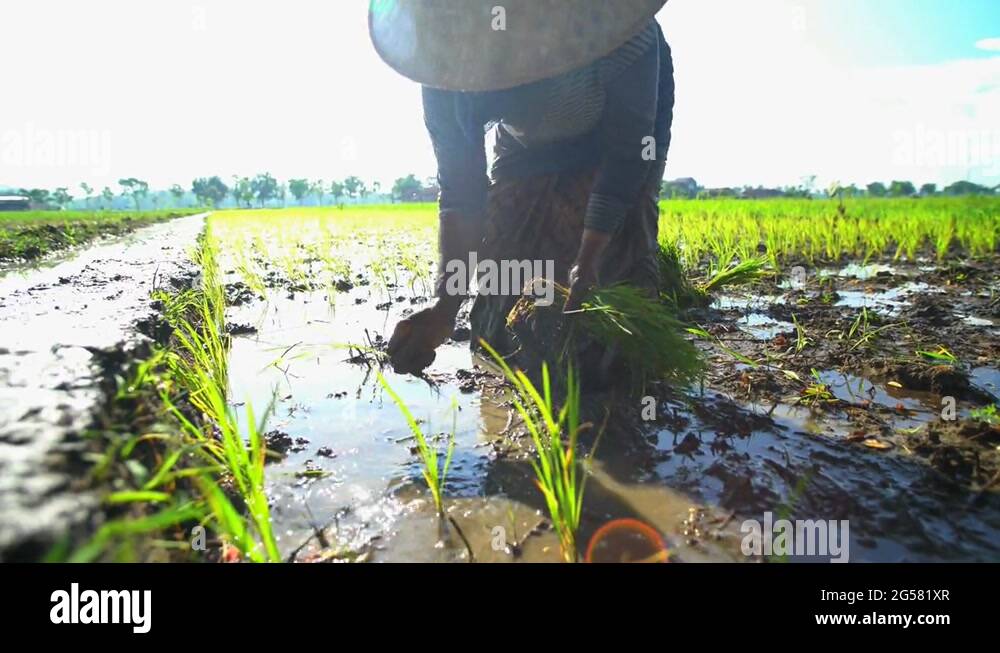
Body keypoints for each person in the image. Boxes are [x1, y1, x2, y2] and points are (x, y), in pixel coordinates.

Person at [369, 0, 674, 376]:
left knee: (614, 330)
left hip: (620, 133)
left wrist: (589, 259)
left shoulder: (621, 31)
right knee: (499, 320)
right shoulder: (444, 62)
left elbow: (627, 157)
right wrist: (445, 309)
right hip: (526, 144)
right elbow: (462, 192)